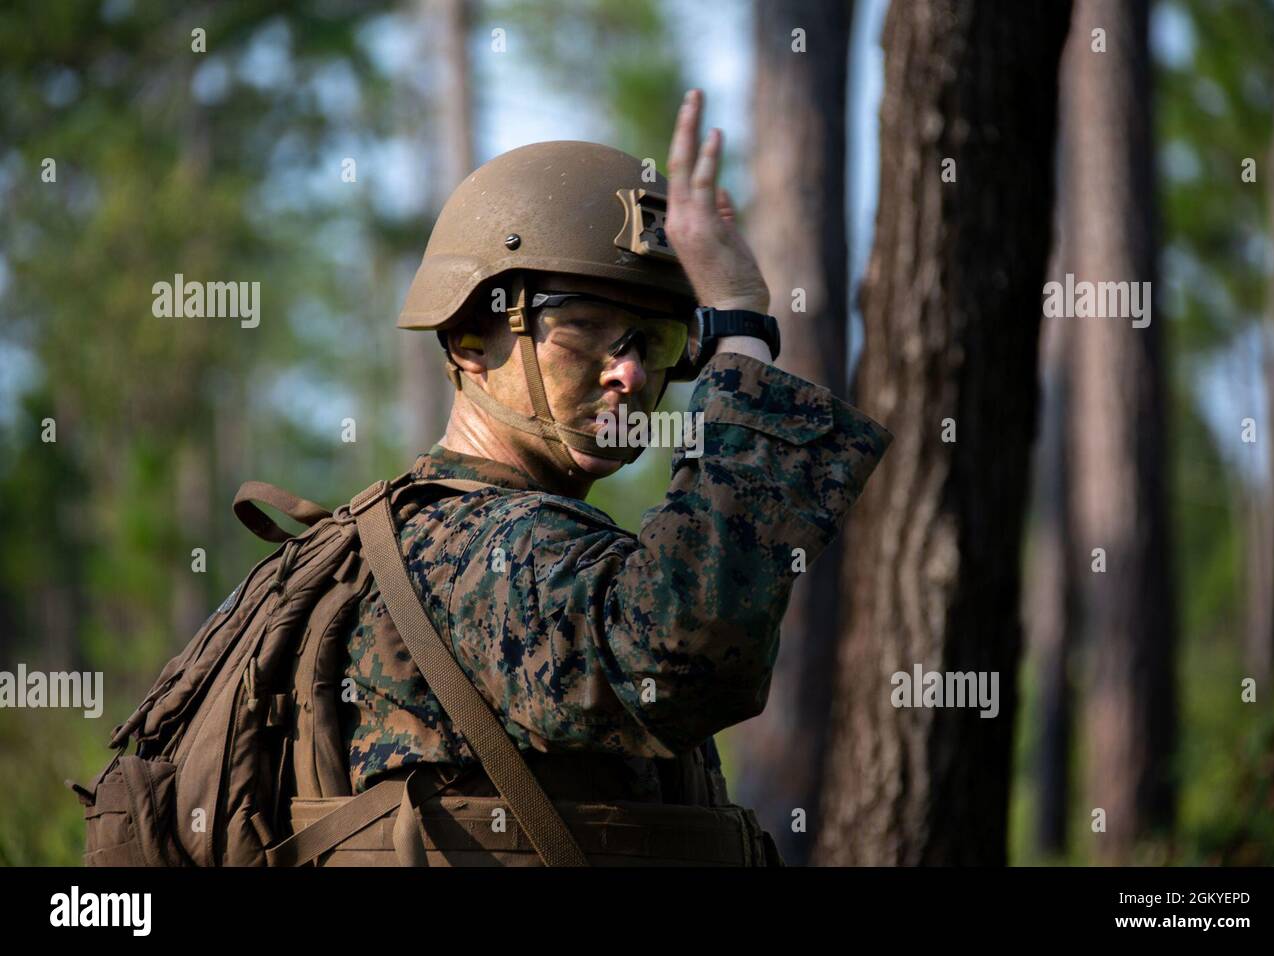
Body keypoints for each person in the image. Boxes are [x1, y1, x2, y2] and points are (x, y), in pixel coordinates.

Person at [338, 89, 892, 865]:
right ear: (468, 338)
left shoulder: (507, 540)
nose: (629, 372)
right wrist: (738, 322)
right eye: (586, 330)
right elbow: (681, 651)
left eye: (655, 339)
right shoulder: (470, 547)